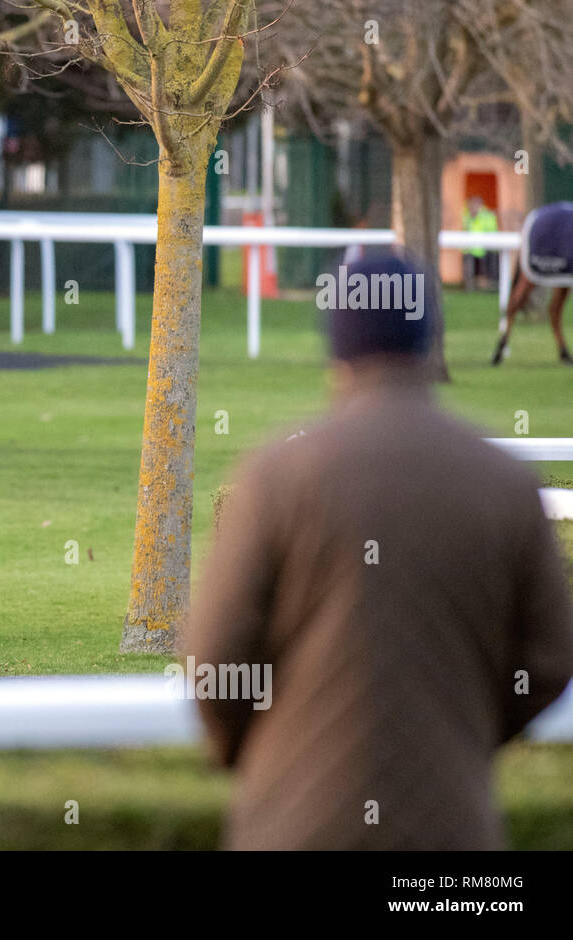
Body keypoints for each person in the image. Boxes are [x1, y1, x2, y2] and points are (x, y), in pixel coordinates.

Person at [187, 252, 573, 850]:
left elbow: (215, 659)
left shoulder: (275, 476)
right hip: (452, 840)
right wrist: (463, 731)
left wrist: (261, 751)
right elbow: (550, 658)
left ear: (336, 348)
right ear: (428, 340)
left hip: (292, 826)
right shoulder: (505, 481)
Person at [462, 196, 499, 291]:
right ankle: (470, 286)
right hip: (470, 248)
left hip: (483, 247)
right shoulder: (466, 215)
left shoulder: (486, 215)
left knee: (484, 268)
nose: (473, 207)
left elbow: (491, 229)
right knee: (469, 267)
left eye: (476, 204)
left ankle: (485, 285)